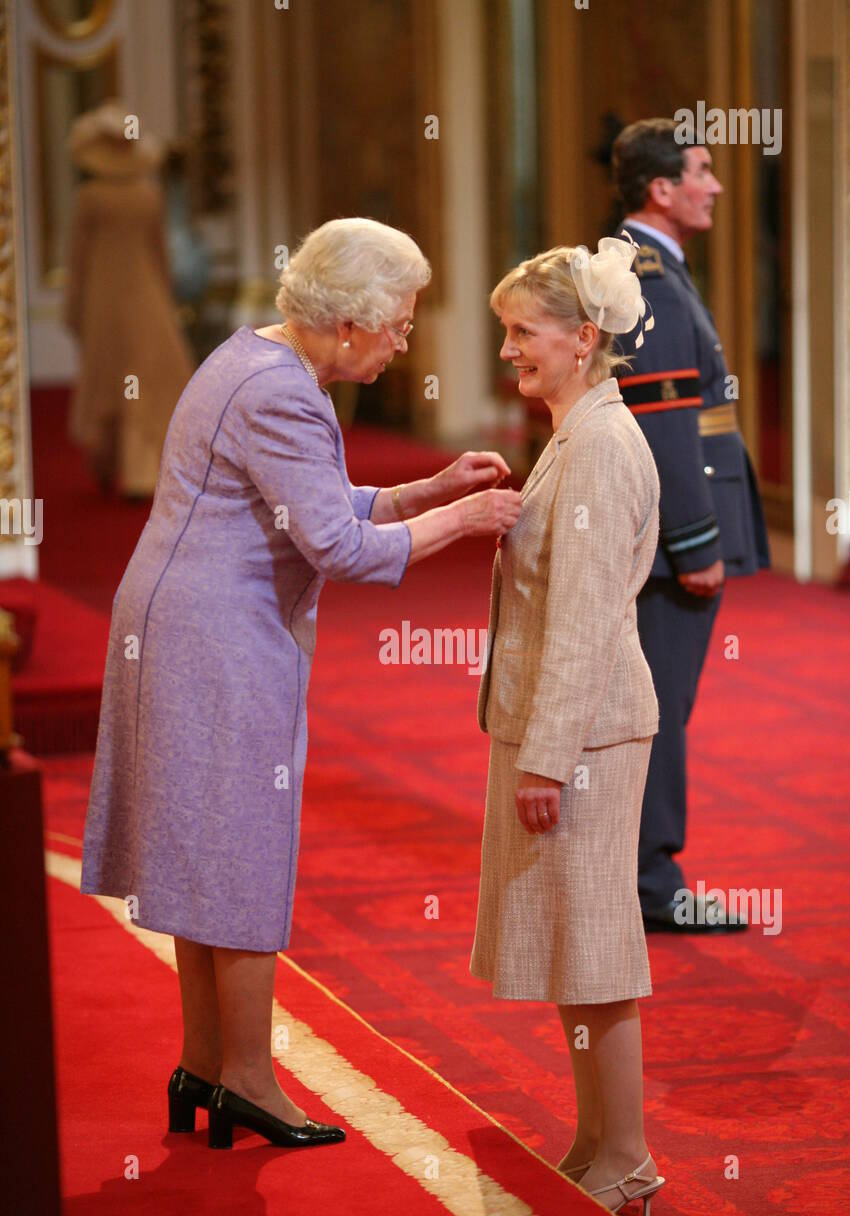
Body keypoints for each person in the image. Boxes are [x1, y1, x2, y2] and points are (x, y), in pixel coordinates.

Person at [80, 217, 521, 1152]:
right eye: (399, 322)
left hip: (181, 623)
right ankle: (244, 1076)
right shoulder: (281, 394)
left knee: (204, 852)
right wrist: (472, 516)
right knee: (237, 850)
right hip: (214, 639)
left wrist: (430, 490)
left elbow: (312, 501)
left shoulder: (257, 361)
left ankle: (204, 1064)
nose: (405, 340)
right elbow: (336, 546)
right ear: (351, 322)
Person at [472, 236, 665, 1216]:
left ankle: (626, 1156)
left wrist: (544, 759)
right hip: (574, 728)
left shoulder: (591, 445)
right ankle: (594, 1139)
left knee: (593, 946)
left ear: (582, 337)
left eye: (521, 332)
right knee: (571, 948)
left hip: (582, 738)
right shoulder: (575, 430)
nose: (506, 350)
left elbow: (584, 619)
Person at [611, 118, 770, 935]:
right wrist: (698, 545)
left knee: (653, 704)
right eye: (701, 172)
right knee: (661, 707)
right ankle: (650, 881)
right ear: (661, 190)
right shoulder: (652, 281)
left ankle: (631, 870)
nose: (713, 185)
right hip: (673, 547)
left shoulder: (646, 270)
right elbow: (670, 427)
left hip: (661, 536)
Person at [64, 101, 196, 499]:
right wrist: (167, 300)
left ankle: (112, 460)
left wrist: (74, 306)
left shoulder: (91, 197)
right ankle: (141, 471)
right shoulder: (149, 195)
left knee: (110, 376)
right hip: (146, 297)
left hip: (103, 298)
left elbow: (78, 258)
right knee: (145, 379)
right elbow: (160, 255)